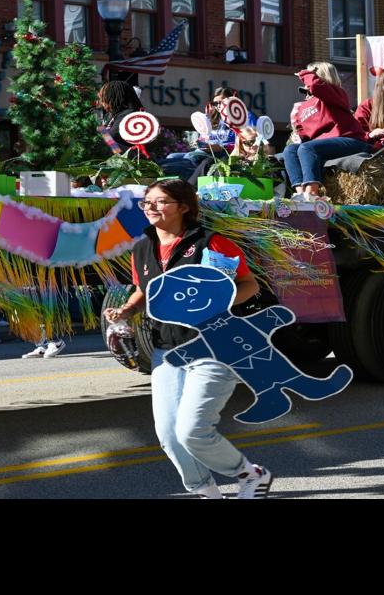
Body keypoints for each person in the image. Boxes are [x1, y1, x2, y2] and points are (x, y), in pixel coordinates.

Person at [102, 180, 274, 499]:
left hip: (213, 348)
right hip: (166, 351)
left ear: (184, 207)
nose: (151, 207)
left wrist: (219, 300)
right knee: (169, 434)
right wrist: (125, 310)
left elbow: (250, 286)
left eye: (161, 201)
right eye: (147, 202)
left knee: (191, 432)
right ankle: (207, 492)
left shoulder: (212, 243)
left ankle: (251, 475)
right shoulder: (142, 246)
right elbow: (144, 290)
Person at [280, 61, 371, 200]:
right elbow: (305, 136)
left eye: (311, 75)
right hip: (321, 146)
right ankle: (300, 193)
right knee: (290, 150)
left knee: (306, 148)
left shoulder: (335, 94)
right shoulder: (304, 105)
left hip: (350, 140)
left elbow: (317, 86)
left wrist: (304, 73)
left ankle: (312, 193)